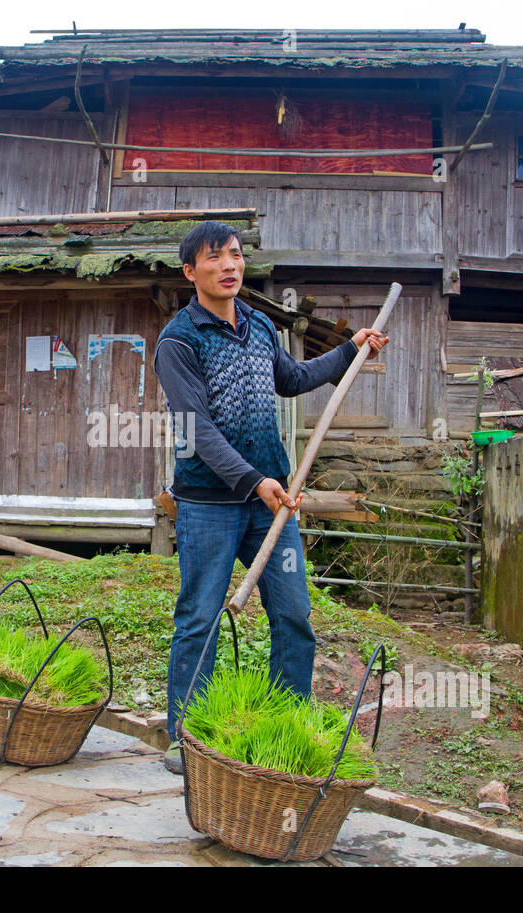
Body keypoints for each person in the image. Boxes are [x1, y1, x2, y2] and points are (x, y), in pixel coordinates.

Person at [153, 220, 389, 773]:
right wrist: (252, 480)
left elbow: (293, 378)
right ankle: (186, 734)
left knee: (293, 613)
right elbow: (197, 430)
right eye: (215, 258)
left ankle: (288, 722)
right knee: (200, 617)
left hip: (271, 506)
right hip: (211, 504)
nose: (229, 266)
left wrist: (348, 349)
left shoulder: (259, 326)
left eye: (235, 255)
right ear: (191, 272)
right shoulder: (178, 341)